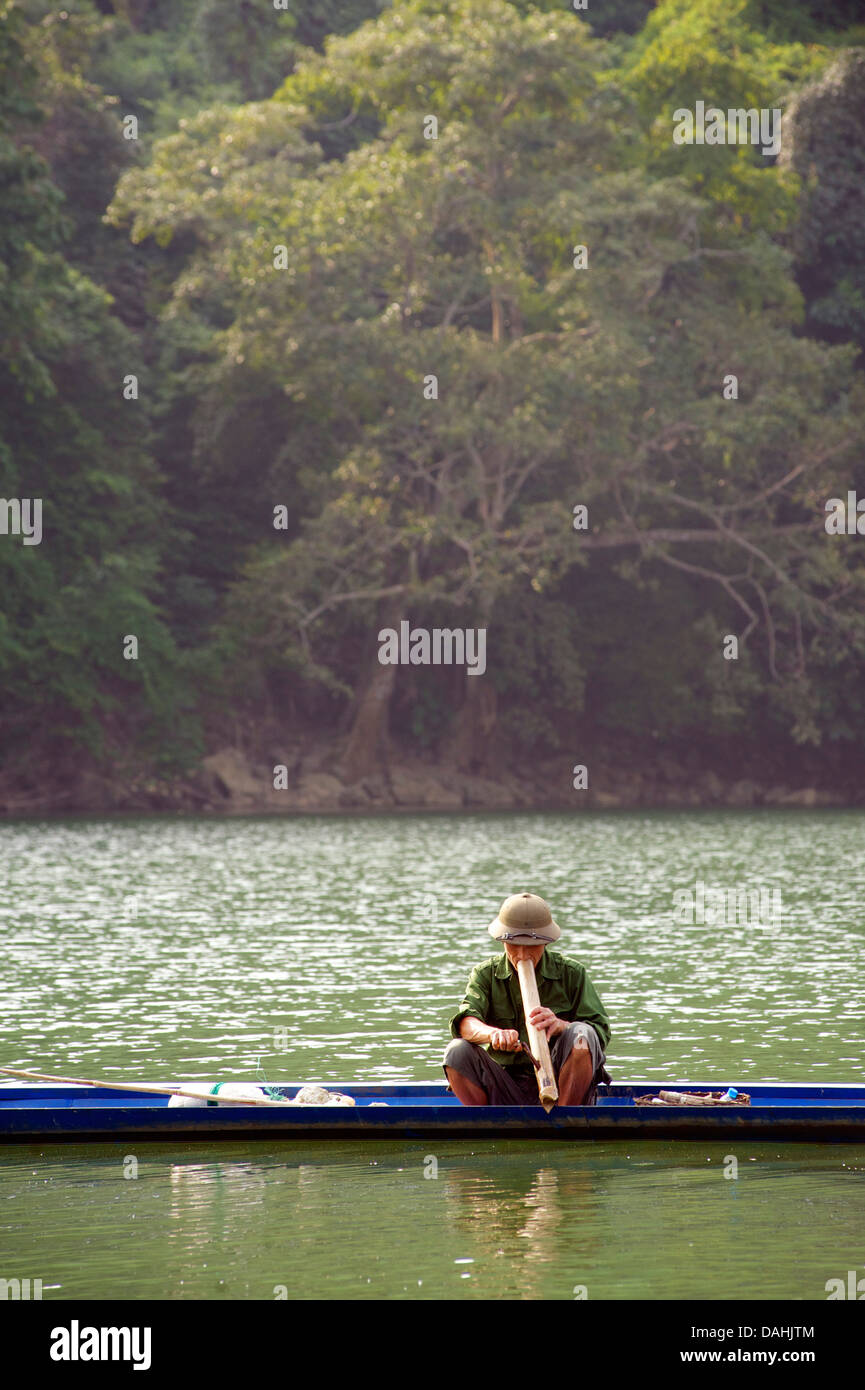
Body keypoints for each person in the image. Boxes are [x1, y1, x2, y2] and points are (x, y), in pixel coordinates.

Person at [443, 892, 610, 1106]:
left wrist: (561, 1026)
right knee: (456, 1052)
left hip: (563, 1086)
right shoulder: (485, 974)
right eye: (514, 945)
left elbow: (599, 1032)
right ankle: (488, 1126)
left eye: (531, 946)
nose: (522, 954)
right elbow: (465, 1023)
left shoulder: (572, 973)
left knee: (581, 1034)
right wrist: (493, 1034)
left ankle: (565, 1124)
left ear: (545, 942)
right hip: (505, 1086)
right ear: (502, 941)